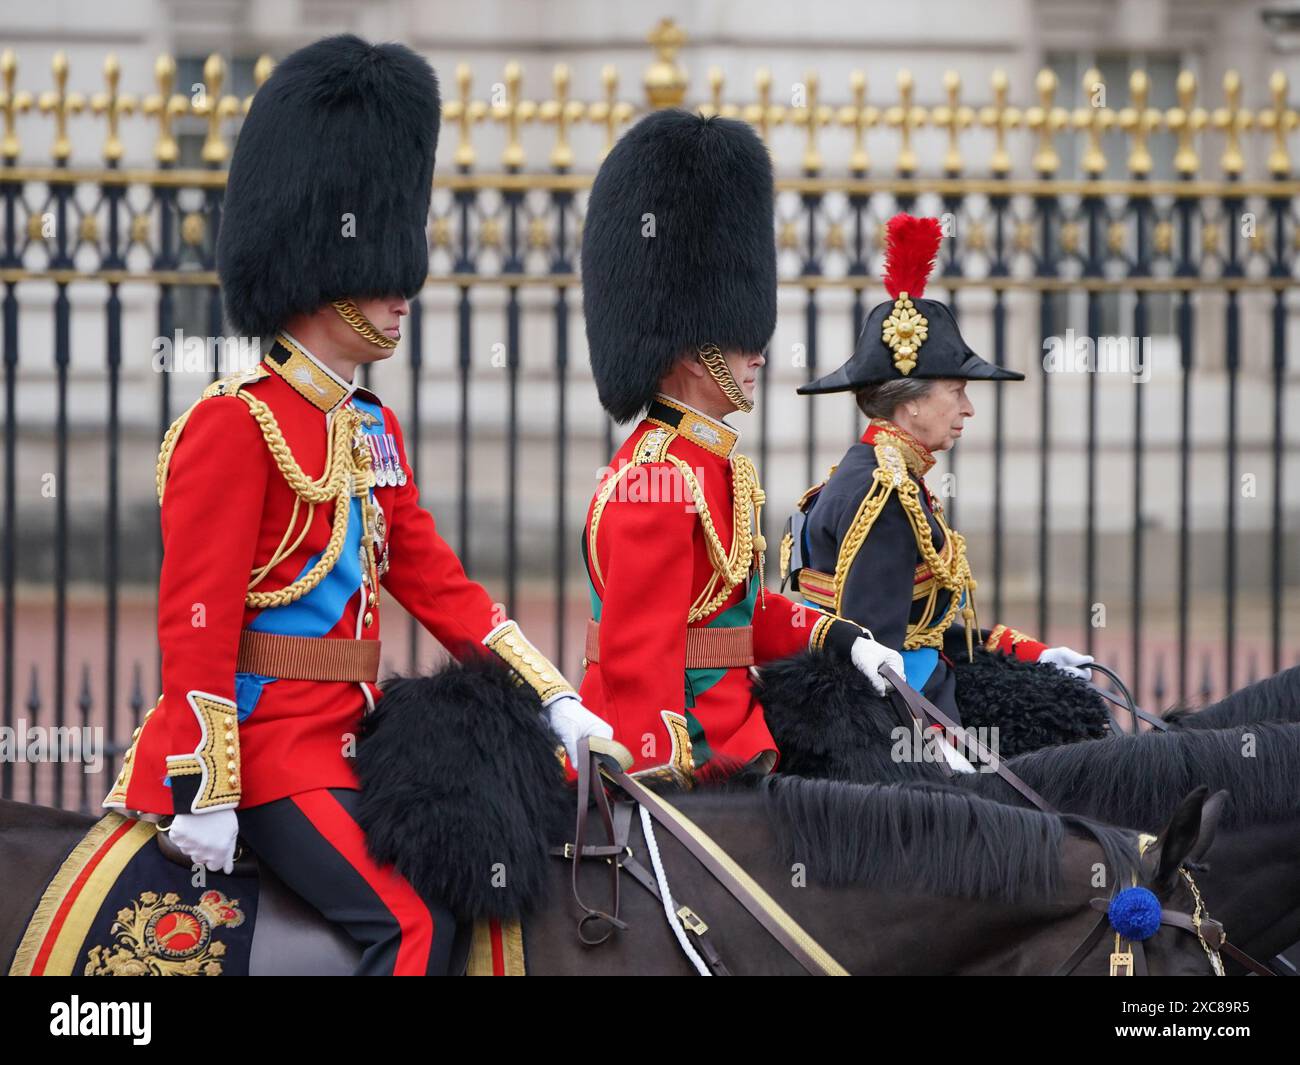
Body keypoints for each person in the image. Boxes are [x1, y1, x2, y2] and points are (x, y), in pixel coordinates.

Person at [103, 34, 609, 975]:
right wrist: (206, 780)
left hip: (351, 739)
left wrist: (553, 695)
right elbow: (197, 615)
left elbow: (434, 577)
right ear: (318, 272)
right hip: (265, 752)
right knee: (408, 920)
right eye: (383, 274)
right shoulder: (236, 422)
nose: (403, 294)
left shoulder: (369, 424)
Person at [576, 108, 903, 780]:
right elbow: (639, 658)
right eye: (737, 338)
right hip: (690, 758)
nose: (756, 354)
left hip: (737, 741)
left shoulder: (715, 464)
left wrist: (837, 637)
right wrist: (664, 779)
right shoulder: (657, 476)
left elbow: (736, 612)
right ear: (693, 351)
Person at [782, 213, 1104, 750]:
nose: (968, 408)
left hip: (931, 688)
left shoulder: (880, 472)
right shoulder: (882, 493)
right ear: (910, 402)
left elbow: (919, 629)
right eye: (955, 391)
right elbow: (876, 659)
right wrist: (933, 748)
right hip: (909, 720)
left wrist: (1033, 656)